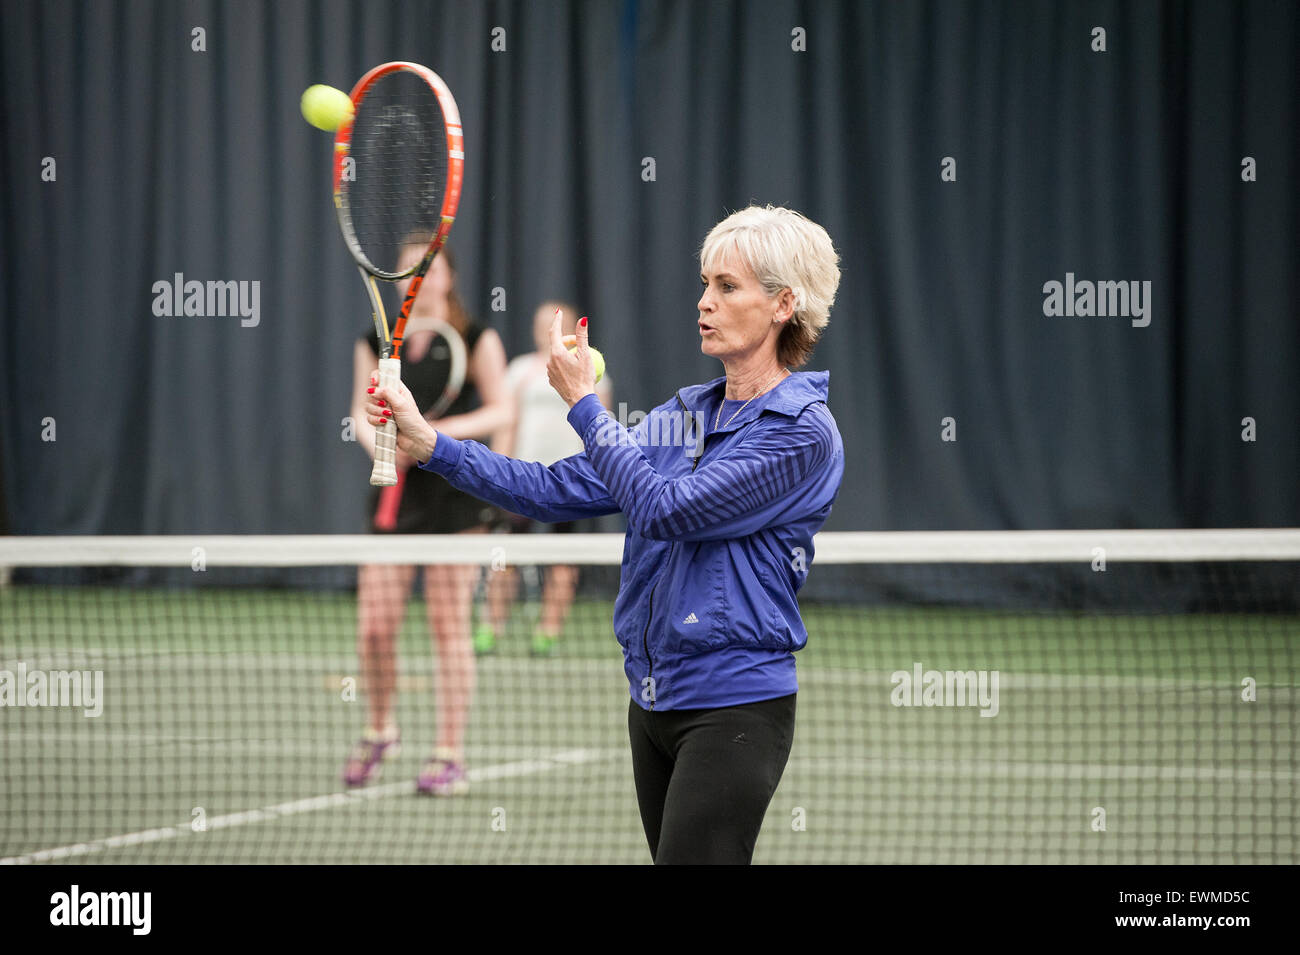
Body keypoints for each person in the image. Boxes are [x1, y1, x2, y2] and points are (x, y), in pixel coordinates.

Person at [365, 206, 844, 862]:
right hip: (649, 699)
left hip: (734, 707)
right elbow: (552, 487)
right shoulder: (683, 414)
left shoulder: (802, 433)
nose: (703, 301)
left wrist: (585, 406)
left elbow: (668, 510)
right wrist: (432, 444)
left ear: (783, 303)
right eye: (705, 283)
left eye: (727, 287)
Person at [344, 242, 513, 796]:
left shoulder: (477, 337)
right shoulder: (377, 341)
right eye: (410, 270)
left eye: (430, 267)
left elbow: (501, 409)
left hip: (455, 498)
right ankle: (380, 730)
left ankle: (448, 754)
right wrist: (387, 453)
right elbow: (359, 412)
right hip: (398, 499)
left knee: (449, 629)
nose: (418, 277)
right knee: (373, 629)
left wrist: (434, 440)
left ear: (448, 276)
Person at [475, 301, 614, 656]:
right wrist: (498, 474)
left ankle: (547, 633)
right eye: (541, 323)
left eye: (554, 321)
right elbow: (508, 422)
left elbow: (603, 426)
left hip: (573, 481)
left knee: (562, 561)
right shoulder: (520, 370)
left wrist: (601, 474)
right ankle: (490, 628)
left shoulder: (593, 371)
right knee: (504, 557)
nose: (545, 328)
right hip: (525, 478)